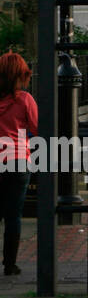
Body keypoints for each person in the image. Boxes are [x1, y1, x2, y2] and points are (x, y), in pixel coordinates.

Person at [0, 53, 37, 276]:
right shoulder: (25, 100)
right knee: (13, 215)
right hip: (17, 161)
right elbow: (38, 127)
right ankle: (10, 264)